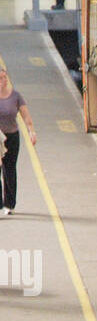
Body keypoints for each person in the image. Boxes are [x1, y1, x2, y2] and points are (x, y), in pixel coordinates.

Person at [0, 67, 36, 216]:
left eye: (4, 78)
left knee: (9, 169)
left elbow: (26, 116)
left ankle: (10, 203)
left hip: (12, 137)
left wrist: (31, 131)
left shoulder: (16, 96)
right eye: (0, 78)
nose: (3, 81)